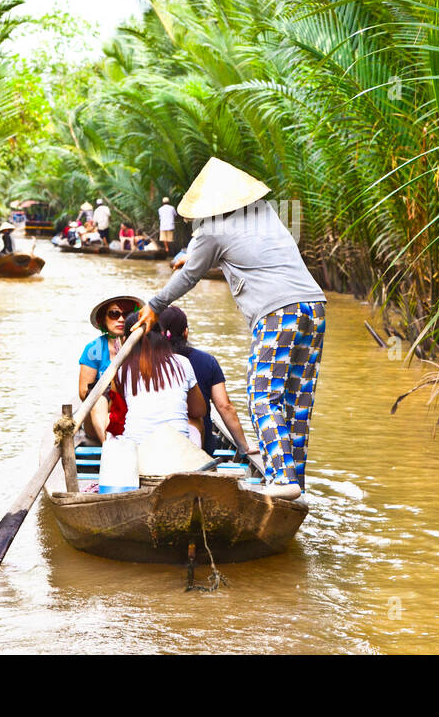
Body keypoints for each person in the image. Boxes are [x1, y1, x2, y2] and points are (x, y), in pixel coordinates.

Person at [137, 158, 325, 500]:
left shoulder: (210, 231)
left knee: (262, 395)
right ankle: (296, 481)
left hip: (277, 312)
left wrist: (154, 304)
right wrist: (192, 256)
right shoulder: (264, 212)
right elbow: (236, 251)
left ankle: (281, 479)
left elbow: (191, 274)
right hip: (314, 306)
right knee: (297, 401)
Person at [158, 305, 253, 457]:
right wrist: (243, 446)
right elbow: (224, 406)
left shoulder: (146, 363)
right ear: (186, 332)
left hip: (155, 441)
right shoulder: (207, 361)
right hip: (201, 445)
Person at [112, 311, 206, 448]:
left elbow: (117, 412)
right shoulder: (183, 362)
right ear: (162, 336)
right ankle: (196, 462)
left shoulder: (121, 370)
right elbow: (199, 411)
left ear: (125, 340)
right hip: (177, 448)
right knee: (197, 421)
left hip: (137, 447)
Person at [78, 294, 142, 443]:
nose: (121, 319)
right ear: (103, 319)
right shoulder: (94, 349)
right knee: (98, 400)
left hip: (131, 409)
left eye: (127, 314)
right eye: (114, 314)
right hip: (101, 411)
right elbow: (83, 393)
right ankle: (108, 446)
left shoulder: (142, 345)